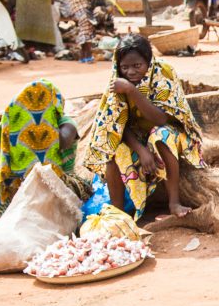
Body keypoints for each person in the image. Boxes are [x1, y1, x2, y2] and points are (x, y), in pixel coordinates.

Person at [84, 33, 202, 220]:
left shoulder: (164, 73)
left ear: (148, 61)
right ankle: (119, 214)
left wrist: (132, 91)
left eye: (137, 66)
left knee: (161, 135)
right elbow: (116, 125)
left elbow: (161, 119)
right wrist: (141, 150)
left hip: (172, 133)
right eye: (125, 67)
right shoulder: (117, 81)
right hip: (136, 136)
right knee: (112, 150)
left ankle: (174, 202)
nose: (130, 72)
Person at [0, 79, 79, 221]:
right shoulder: (15, 126)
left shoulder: (67, 125)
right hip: (17, 186)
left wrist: (39, 128)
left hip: (59, 184)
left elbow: (56, 146)